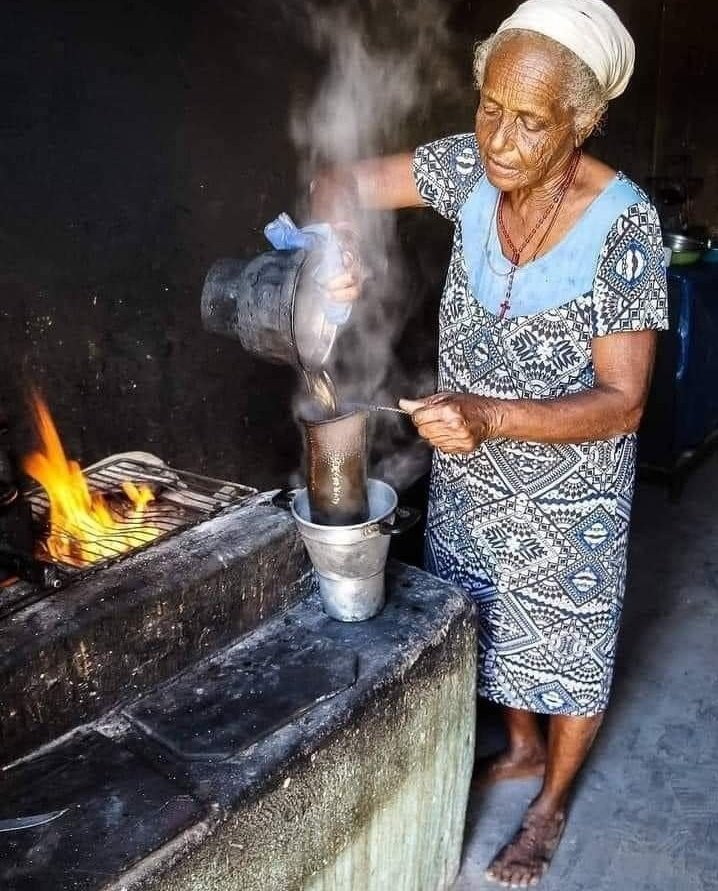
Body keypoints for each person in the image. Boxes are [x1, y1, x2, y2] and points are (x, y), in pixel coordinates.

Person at [312, 0, 668, 885]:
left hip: (569, 493)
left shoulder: (625, 225)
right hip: (471, 476)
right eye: (489, 107)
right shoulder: (467, 166)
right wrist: (338, 245)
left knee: (569, 644)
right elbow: (340, 180)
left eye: (532, 121)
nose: (499, 143)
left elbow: (624, 404)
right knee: (491, 622)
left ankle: (549, 803)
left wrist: (488, 414)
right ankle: (516, 748)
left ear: (583, 121)